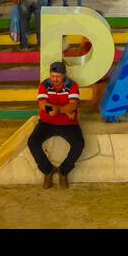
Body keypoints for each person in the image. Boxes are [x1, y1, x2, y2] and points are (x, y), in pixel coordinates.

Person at [27, 61, 85, 189]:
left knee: (79, 144)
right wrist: (64, 110)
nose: (55, 79)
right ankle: (48, 171)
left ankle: (63, 171)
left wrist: (56, 110)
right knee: (32, 142)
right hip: (47, 122)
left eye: (58, 76)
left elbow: (73, 105)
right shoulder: (44, 85)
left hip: (69, 124)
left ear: (64, 75)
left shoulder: (72, 85)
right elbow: (43, 105)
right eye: (52, 76)